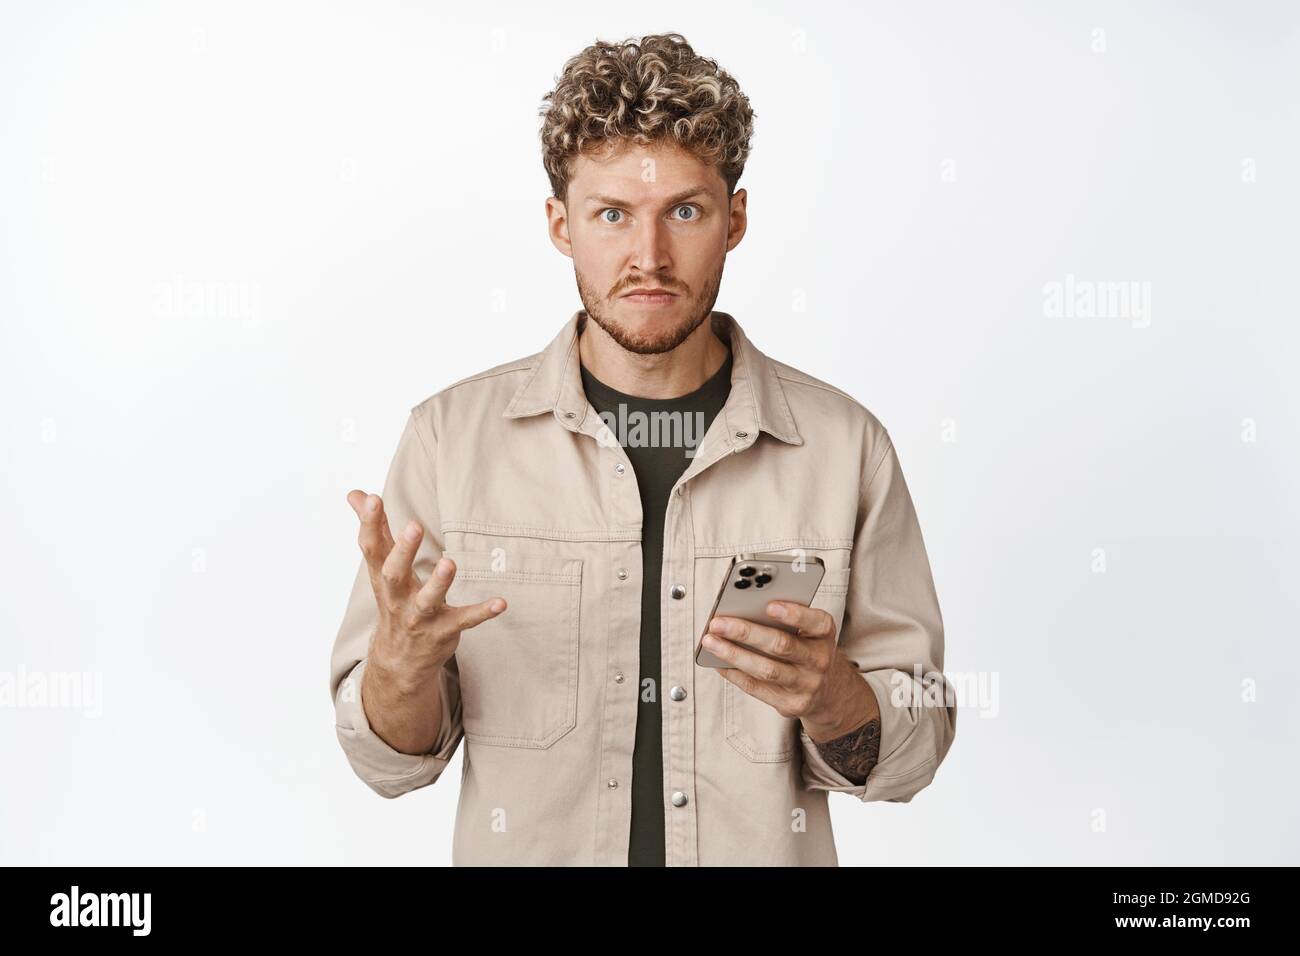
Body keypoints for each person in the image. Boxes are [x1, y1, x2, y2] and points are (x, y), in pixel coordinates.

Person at [328, 32, 956, 866]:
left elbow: (918, 742)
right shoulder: (449, 440)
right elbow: (387, 763)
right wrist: (399, 668)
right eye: (613, 214)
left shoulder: (843, 448)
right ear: (561, 224)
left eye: (685, 212)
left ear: (735, 219)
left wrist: (836, 696)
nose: (648, 258)